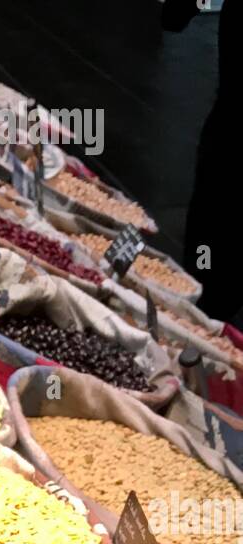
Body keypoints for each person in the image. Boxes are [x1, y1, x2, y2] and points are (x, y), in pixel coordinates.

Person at [164, 0, 243, 323]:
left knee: (207, 279)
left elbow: (174, 17)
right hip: (228, 143)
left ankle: (199, 332)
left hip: (229, 145)